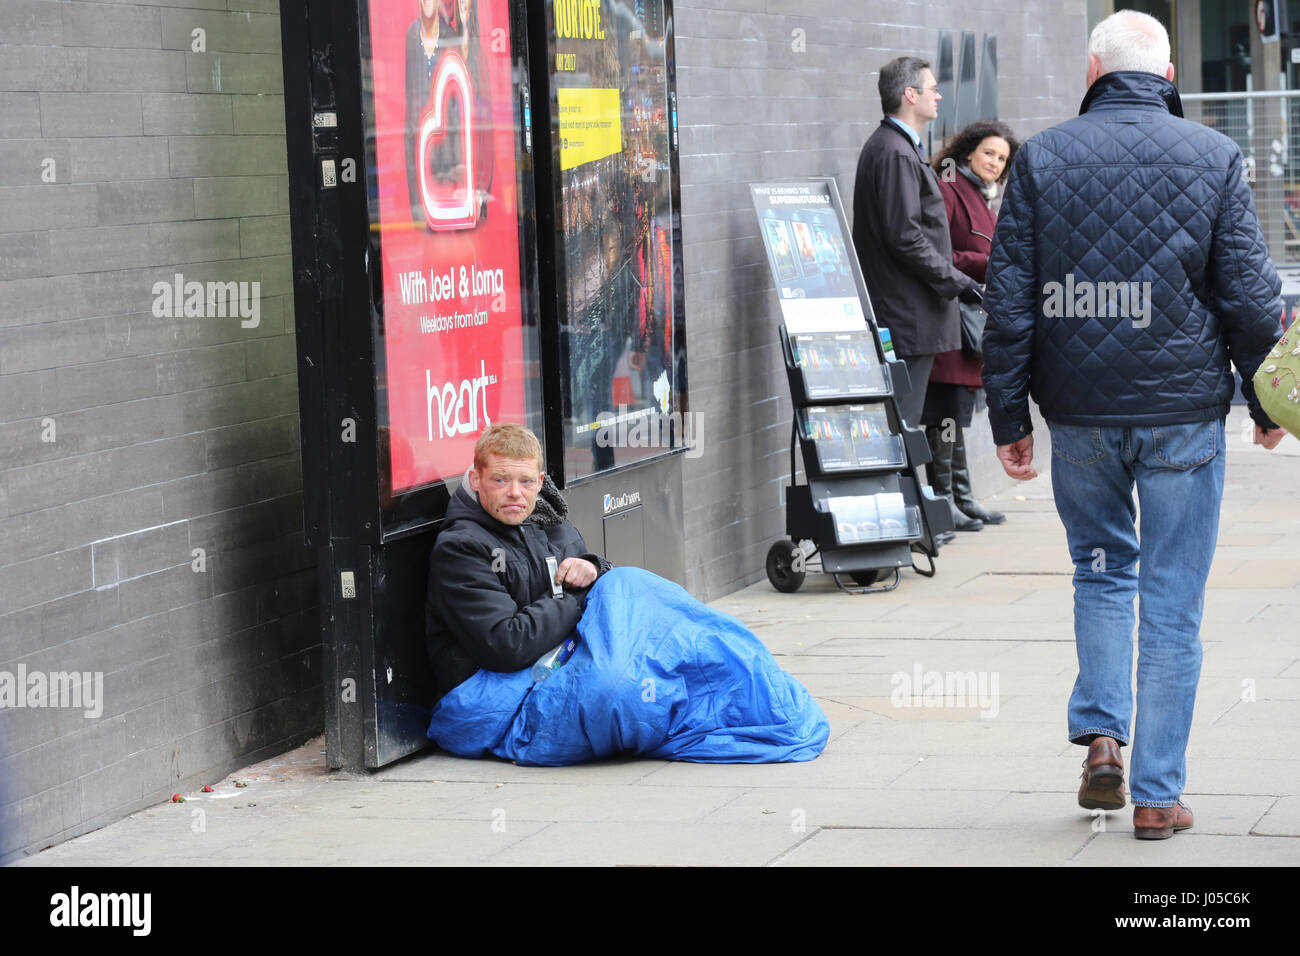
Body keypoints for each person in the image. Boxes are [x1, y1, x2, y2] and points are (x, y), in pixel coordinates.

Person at [982, 9, 1288, 839]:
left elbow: (1009, 304)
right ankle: (1157, 794)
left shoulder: (1041, 158)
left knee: (1102, 572)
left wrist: (1008, 416)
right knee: (1173, 602)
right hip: (1183, 415)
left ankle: (1102, 740)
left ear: (1093, 70)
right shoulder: (1216, 157)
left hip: (1079, 417)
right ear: (1168, 80)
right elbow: (1252, 301)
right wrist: (1265, 405)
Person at [424, 423, 829, 765]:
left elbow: (594, 589)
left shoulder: (549, 523)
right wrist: (578, 599)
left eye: (526, 481)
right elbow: (507, 644)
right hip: (496, 692)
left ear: (540, 482)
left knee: (658, 618)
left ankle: (755, 688)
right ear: (475, 480)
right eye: (500, 480)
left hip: (561, 652)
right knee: (624, 692)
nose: (515, 492)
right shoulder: (462, 548)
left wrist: (594, 569)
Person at [851, 56, 984, 435]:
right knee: (899, 426)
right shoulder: (894, 152)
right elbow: (905, 236)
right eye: (933, 89)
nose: (939, 97)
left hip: (909, 314)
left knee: (902, 423)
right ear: (910, 95)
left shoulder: (898, 148)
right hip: (905, 317)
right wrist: (962, 283)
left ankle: (907, 493)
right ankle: (899, 494)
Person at [923, 121, 1020, 531]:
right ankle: (944, 503)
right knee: (945, 415)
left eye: (1001, 158)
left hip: (971, 321)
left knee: (956, 416)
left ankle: (961, 498)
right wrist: (987, 262)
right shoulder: (948, 190)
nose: (995, 163)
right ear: (967, 154)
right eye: (988, 154)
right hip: (949, 320)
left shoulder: (984, 198)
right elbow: (936, 253)